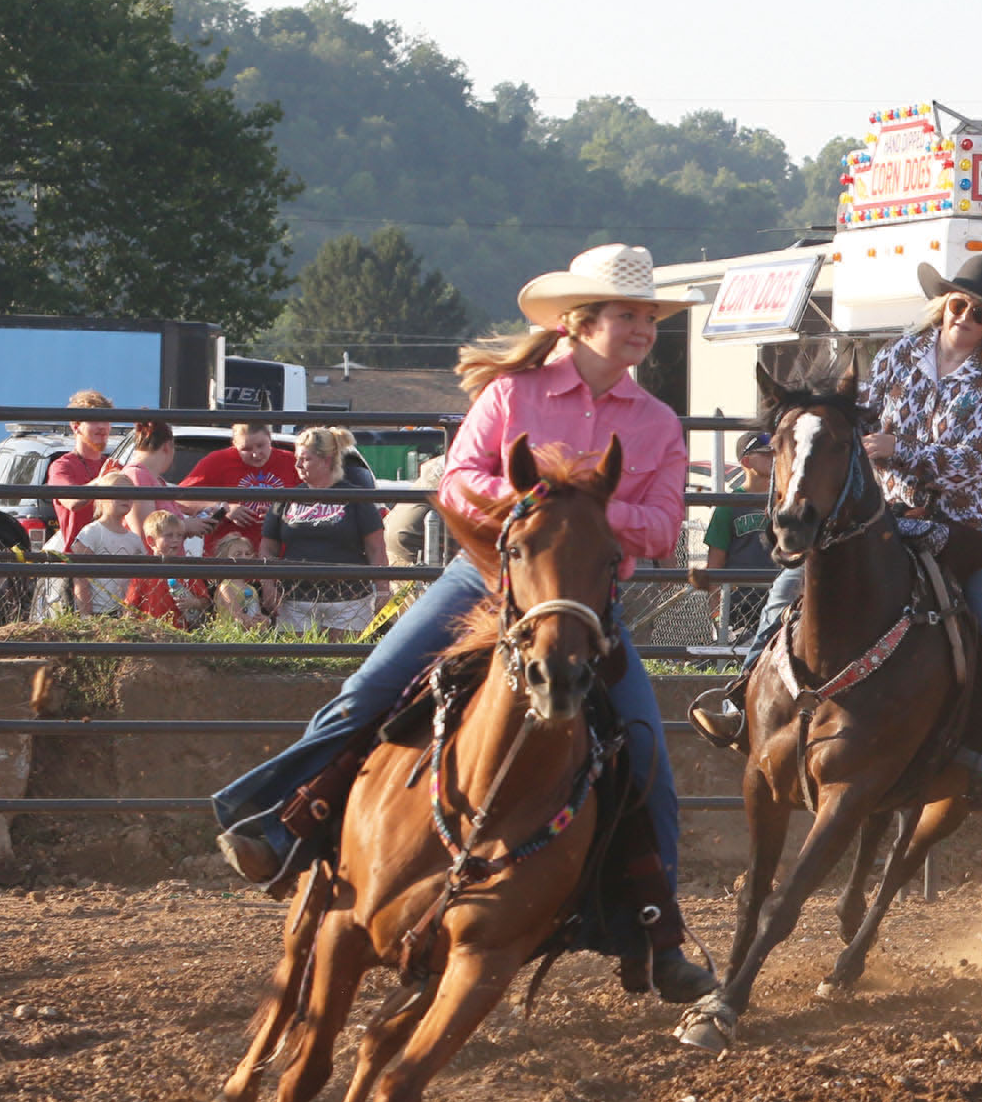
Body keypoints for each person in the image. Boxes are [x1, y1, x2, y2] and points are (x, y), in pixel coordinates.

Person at [211, 242, 716, 1003]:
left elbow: (662, 525)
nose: (643, 327)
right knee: (372, 687)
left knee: (644, 752)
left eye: (649, 316)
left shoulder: (655, 423)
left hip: (583, 604)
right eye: (627, 314)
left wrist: (578, 514)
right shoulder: (515, 394)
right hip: (484, 578)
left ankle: (656, 928)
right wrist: (543, 512)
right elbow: (459, 480)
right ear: (580, 323)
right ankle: (280, 823)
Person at [695, 256, 982, 820]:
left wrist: (899, 450)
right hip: (880, 516)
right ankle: (740, 698)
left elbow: (972, 461)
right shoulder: (897, 356)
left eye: (980, 315)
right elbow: (847, 419)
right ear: (943, 305)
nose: (965, 318)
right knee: (789, 589)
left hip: (960, 523)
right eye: (959, 305)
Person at [264, 426, 389, 638]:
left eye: (305, 459)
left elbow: (375, 547)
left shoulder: (357, 498)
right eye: (297, 458)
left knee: (341, 662)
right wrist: (268, 585)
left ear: (327, 460)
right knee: (294, 664)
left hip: (348, 598)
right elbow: (268, 546)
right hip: (296, 596)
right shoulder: (287, 497)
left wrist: (383, 589)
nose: (298, 465)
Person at [178, 421, 300, 556]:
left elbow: (317, 501)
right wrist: (224, 507)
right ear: (234, 444)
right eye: (246, 449)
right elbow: (180, 499)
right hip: (228, 558)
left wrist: (281, 514)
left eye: (261, 446)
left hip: (278, 557)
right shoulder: (217, 461)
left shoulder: (291, 462)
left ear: (270, 439)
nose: (256, 454)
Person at [700, 431, 779, 637]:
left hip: (780, 596)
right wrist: (717, 618)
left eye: (776, 453)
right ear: (746, 461)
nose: (774, 458)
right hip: (740, 604)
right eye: (766, 454)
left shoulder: (785, 502)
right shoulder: (728, 506)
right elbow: (715, 566)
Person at [45, 390, 117, 549]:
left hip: (114, 560)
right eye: (94, 421)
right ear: (75, 426)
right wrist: (104, 481)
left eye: (106, 421)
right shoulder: (62, 466)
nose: (102, 427)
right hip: (80, 565)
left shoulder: (115, 466)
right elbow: (72, 501)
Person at [64, 479, 145, 616]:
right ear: (102, 498)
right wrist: (86, 616)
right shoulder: (91, 533)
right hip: (98, 613)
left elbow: (141, 580)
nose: (126, 499)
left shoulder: (135, 540)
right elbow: (81, 579)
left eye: (130, 494)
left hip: (127, 614)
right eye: (118, 494)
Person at [124, 512, 195, 627]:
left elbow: (205, 601)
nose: (176, 540)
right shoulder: (143, 571)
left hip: (181, 632)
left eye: (179, 535)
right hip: (150, 631)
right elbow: (131, 605)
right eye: (169, 535)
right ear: (151, 541)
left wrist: (194, 602)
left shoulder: (186, 569)